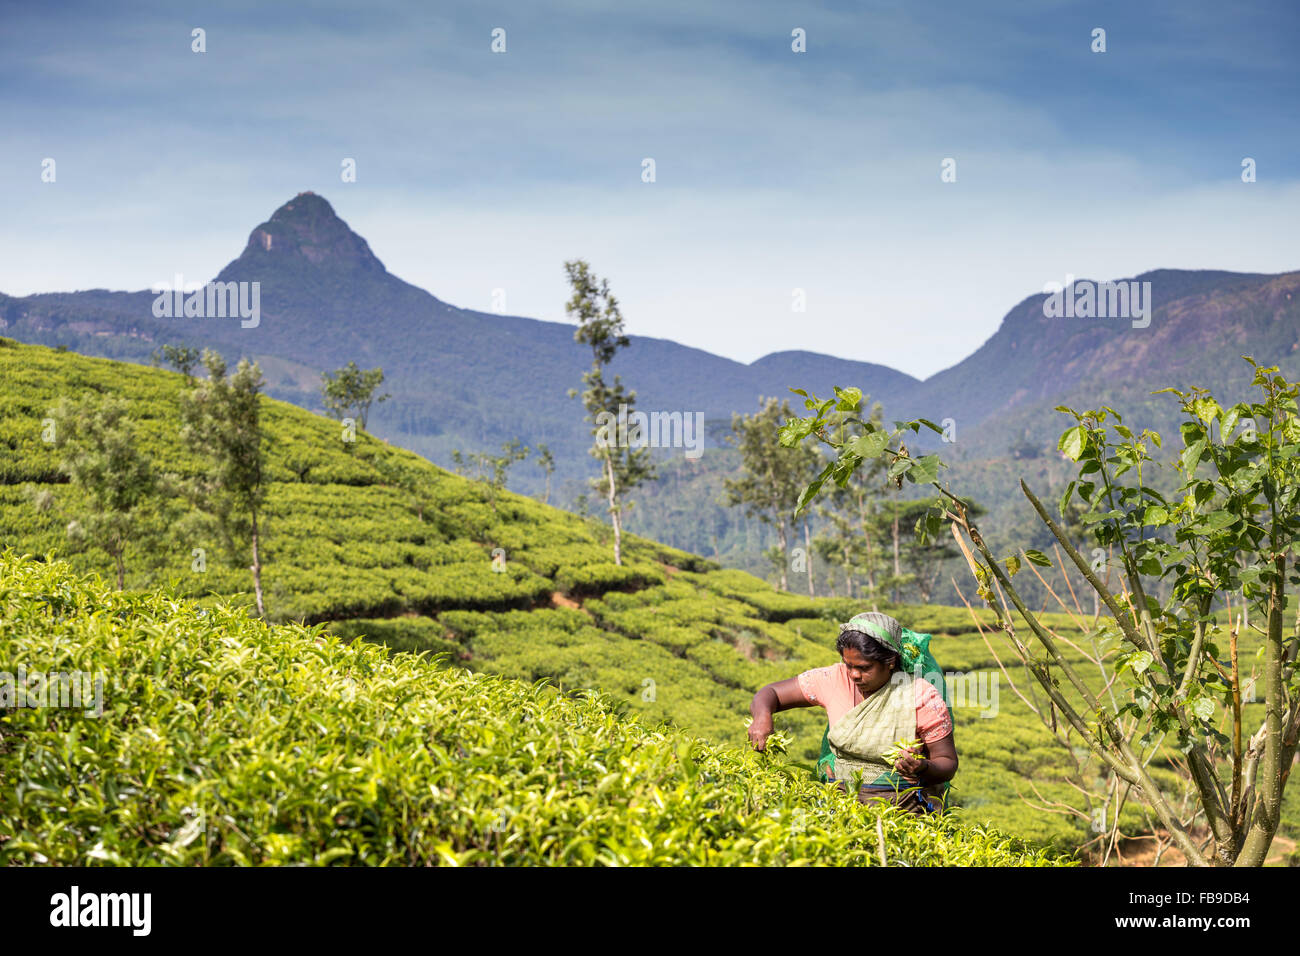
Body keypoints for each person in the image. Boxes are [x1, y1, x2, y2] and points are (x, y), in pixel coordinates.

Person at [747, 611, 957, 814]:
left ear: (890, 661)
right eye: (849, 665)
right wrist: (762, 717)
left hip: (901, 808)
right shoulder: (834, 679)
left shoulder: (920, 695)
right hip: (840, 803)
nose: (854, 675)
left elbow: (947, 762)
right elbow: (771, 693)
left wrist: (921, 767)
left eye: (865, 668)